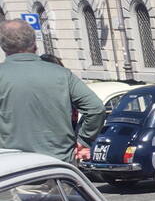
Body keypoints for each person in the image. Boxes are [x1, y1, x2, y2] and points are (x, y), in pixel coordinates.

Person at [0, 19, 104, 165]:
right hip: (59, 165)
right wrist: (83, 140)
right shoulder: (62, 74)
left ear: (3, 47)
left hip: (15, 170)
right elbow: (96, 108)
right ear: (34, 44)